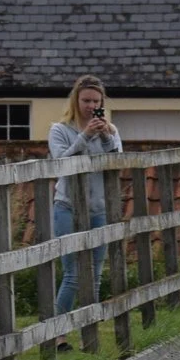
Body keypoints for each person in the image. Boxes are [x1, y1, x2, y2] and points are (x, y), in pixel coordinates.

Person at [49, 75, 120, 315]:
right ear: (76, 101)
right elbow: (60, 162)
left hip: (99, 208)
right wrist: (85, 136)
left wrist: (106, 136)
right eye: (86, 101)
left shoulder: (110, 131)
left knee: (96, 272)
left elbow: (117, 162)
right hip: (67, 206)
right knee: (74, 274)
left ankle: (90, 330)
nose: (91, 106)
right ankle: (58, 334)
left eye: (96, 102)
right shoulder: (59, 130)